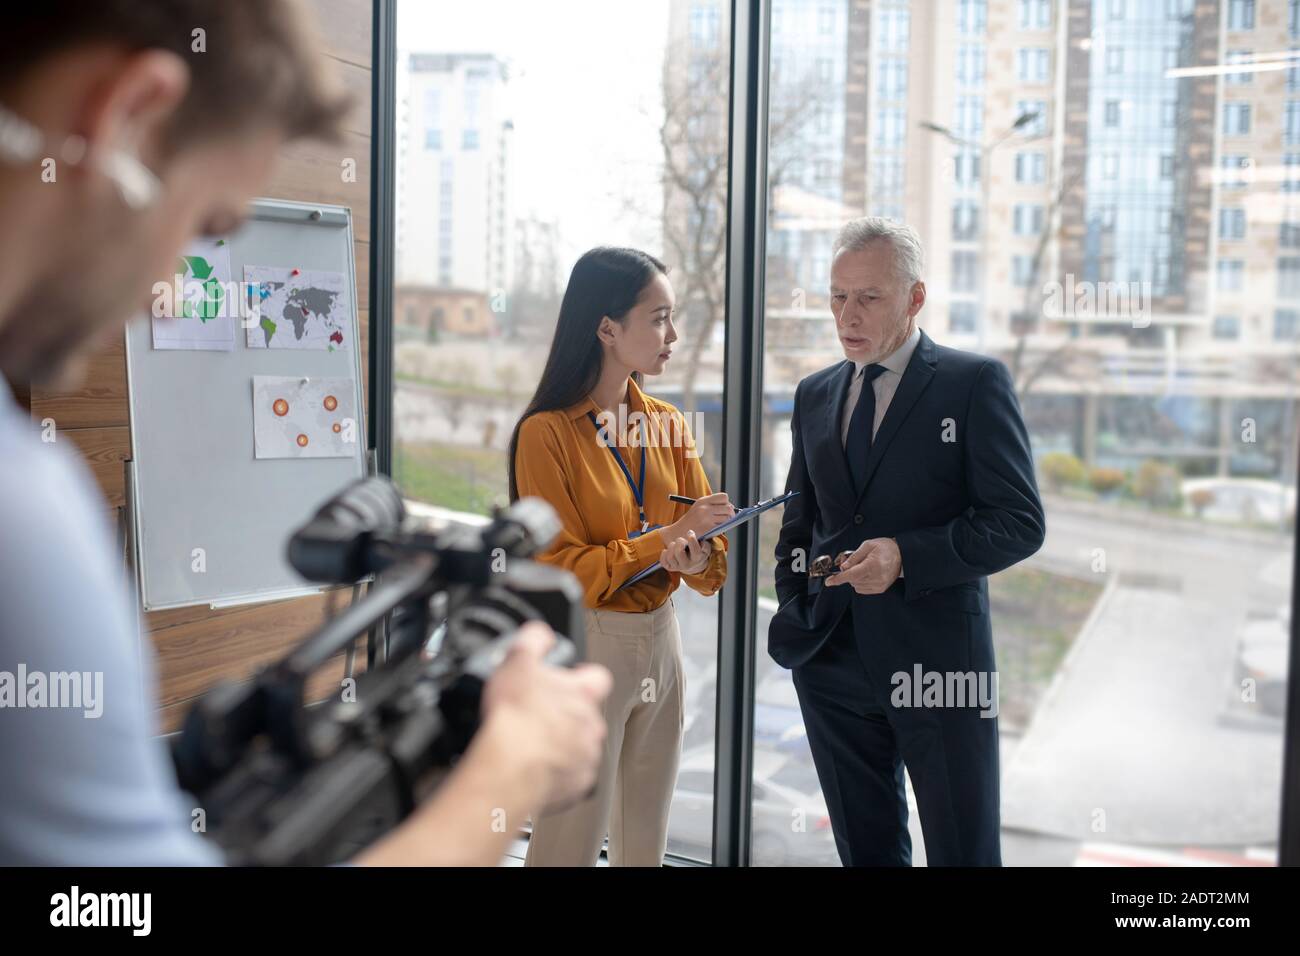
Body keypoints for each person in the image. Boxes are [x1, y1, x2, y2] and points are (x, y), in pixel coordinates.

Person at [0, 0, 609, 866]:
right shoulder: (21, 506)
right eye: (207, 226)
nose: (165, 292)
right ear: (125, 116)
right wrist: (506, 778)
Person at [769, 217, 1045, 866]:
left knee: (963, 853)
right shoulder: (814, 394)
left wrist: (904, 558)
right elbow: (800, 526)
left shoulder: (973, 383)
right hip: (831, 659)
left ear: (915, 297)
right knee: (866, 854)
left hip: (940, 668)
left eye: (869, 297)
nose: (848, 315)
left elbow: (1018, 522)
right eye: (838, 296)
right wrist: (796, 606)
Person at [508, 246, 733, 866]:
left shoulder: (666, 424)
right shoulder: (545, 433)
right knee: (568, 843)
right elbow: (559, 570)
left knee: (645, 842)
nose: (673, 335)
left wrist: (693, 556)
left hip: (663, 639)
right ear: (607, 328)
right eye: (658, 318)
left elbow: (713, 557)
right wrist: (663, 539)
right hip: (589, 645)